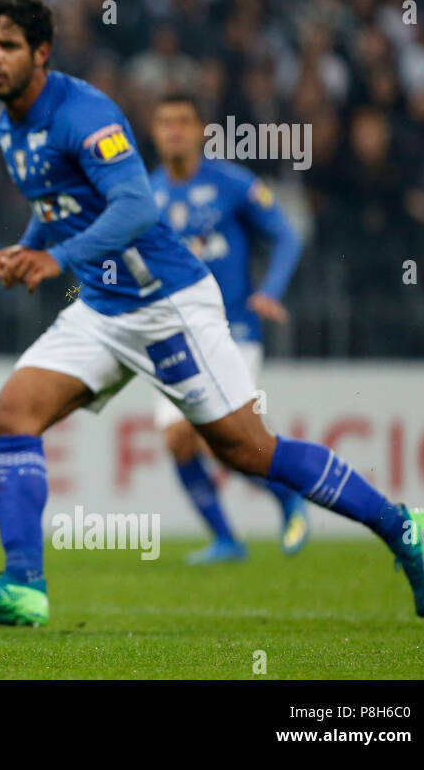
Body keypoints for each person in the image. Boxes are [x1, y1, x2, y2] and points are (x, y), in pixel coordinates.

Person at [0, 0, 424, 627]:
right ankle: (26, 585)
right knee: (11, 413)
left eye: (8, 46)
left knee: (248, 450)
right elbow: (53, 203)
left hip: (168, 304)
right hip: (104, 312)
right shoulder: (8, 128)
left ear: (42, 52)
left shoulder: (85, 112)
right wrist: (26, 247)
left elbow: (136, 208)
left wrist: (57, 260)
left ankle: (402, 526)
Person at [148, 93, 308, 564]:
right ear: (154, 132)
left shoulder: (234, 184)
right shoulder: (147, 194)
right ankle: (227, 539)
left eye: (182, 121)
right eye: (164, 122)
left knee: (221, 438)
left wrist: (271, 290)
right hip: (170, 333)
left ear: (200, 131)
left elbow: (286, 234)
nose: (173, 130)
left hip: (231, 330)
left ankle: (289, 498)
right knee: (179, 439)